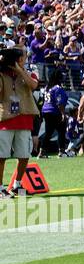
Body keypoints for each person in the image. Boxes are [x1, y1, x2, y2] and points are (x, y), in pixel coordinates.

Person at [0, 46, 39, 197]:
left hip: (24, 118)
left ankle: (17, 184)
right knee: (1, 156)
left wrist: (20, 71)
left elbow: (34, 85)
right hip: (5, 120)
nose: (24, 59)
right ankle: (0, 188)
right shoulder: (2, 74)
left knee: (24, 155)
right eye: (22, 57)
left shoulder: (28, 73)